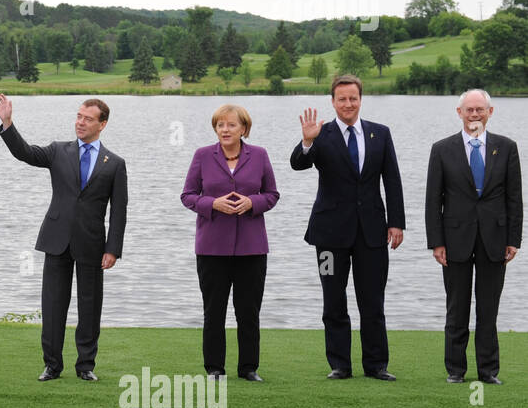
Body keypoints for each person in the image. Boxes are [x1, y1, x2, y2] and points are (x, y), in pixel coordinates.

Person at [0, 94, 127, 382]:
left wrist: (113, 249)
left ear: (102, 124)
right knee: (53, 305)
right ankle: (52, 366)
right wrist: (8, 124)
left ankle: (86, 366)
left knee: (90, 306)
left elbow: (119, 210)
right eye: (79, 116)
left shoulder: (114, 163)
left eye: (88, 119)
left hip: (92, 243)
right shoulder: (58, 151)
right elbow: (25, 153)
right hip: (56, 239)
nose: (80, 122)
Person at [291, 74, 404, 381]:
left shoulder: (380, 134)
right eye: (341, 99)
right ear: (333, 102)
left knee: (372, 300)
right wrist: (307, 141)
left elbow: (392, 181)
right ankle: (340, 364)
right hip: (329, 236)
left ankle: (376, 365)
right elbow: (298, 164)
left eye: (353, 98)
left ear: (360, 99)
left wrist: (396, 222)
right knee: (333, 299)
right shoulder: (320, 134)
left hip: (372, 233)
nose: (348, 104)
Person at [424, 89, 521, 385]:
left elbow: (514, 199)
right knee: (457, 308)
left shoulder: (507, 148)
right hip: (455, 240)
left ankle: (488, 371)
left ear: (490, 112)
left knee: (488, 309)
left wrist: (514, 239)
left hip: (495, 239)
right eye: (469, 110)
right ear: (460, 113)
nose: (475, 114)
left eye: (480, 109)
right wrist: (436, 242)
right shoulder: (442, 149)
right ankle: (455, 370)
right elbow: (433, 200)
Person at [181, 104, 279, 381]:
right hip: (212, 248)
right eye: (220, 125)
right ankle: (214, 368)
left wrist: (252, 202)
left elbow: (272, 194)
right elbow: (188, 195)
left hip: (252, 247)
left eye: (231, 125)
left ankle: (248, 368)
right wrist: (213, 204)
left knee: (248, 311)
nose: (225, 130)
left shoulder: (259, 155)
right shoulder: (202, 155)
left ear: (243, 129)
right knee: (214, 311)